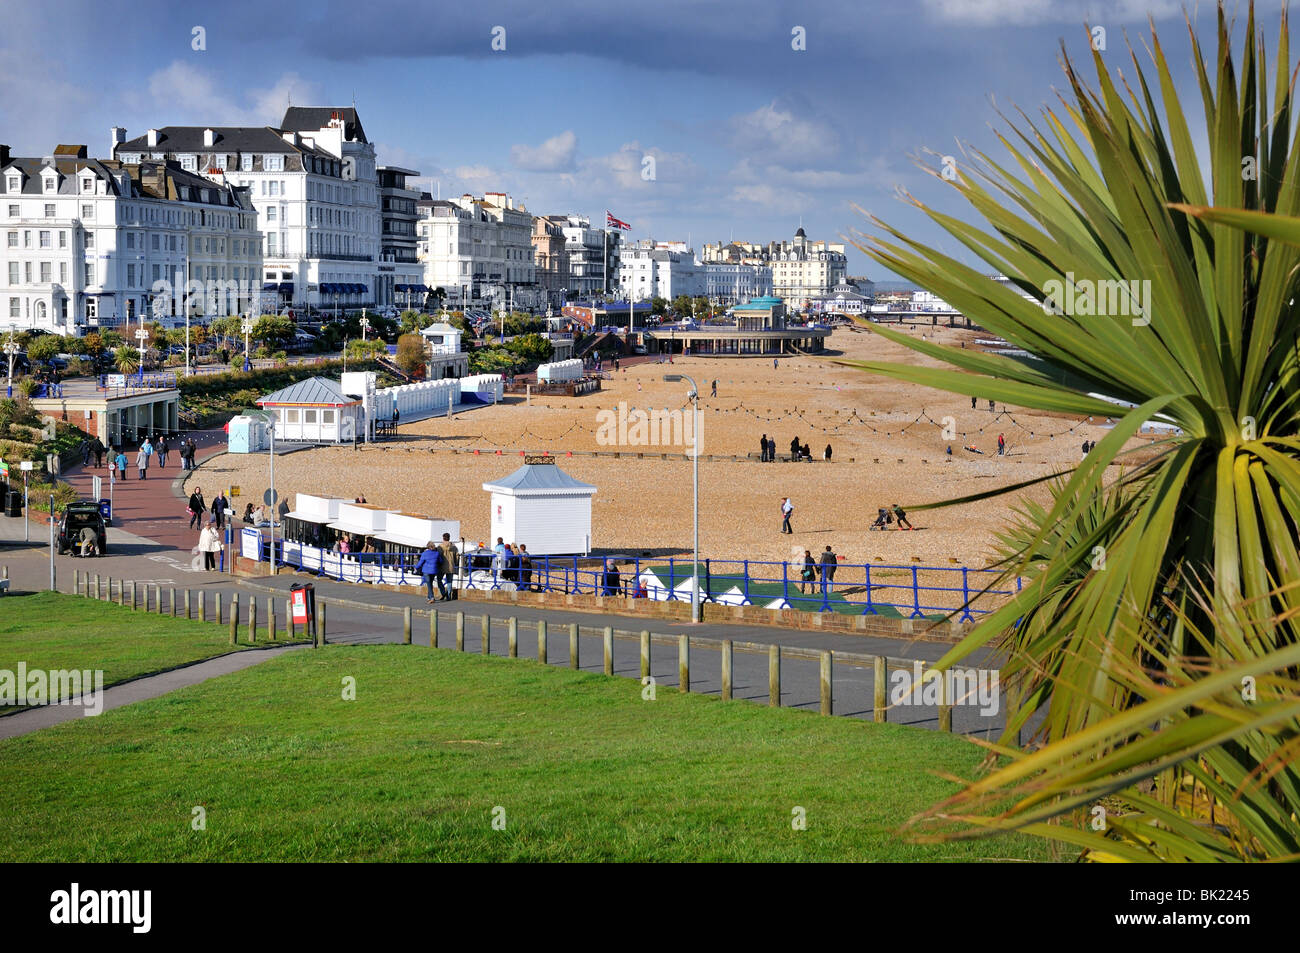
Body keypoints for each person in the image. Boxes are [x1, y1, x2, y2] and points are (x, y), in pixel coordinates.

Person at [436, 533, 459, 600]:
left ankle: (443, 593)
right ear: (449, 538)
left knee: (439, 580)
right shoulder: (454, 547)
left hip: (442, 566)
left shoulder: (440, 547)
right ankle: (449, 596)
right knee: (449, 581)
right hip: (451, 566)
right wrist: (455, 563)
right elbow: (457, 557)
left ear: (443, 538)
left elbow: (438, 556)